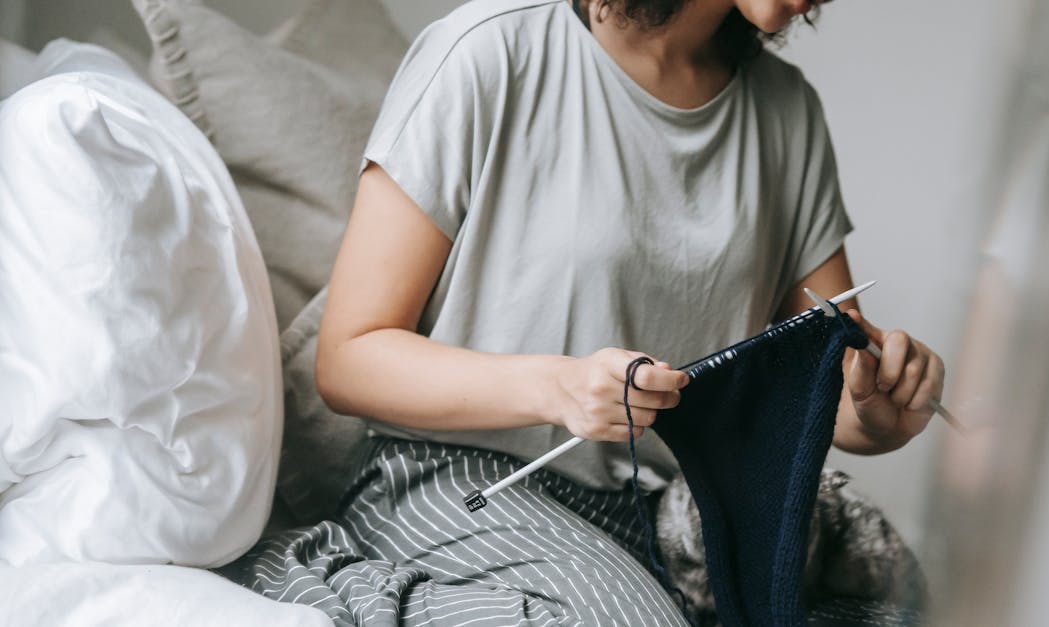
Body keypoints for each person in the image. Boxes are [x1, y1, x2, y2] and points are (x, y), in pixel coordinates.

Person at [249, 0, 945, 623]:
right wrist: (557, 387)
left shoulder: (788, 112)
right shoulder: (490, 50)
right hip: (453, 481)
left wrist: (881, 411)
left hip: (674, 513)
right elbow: (348, 357)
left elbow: (829, 382)